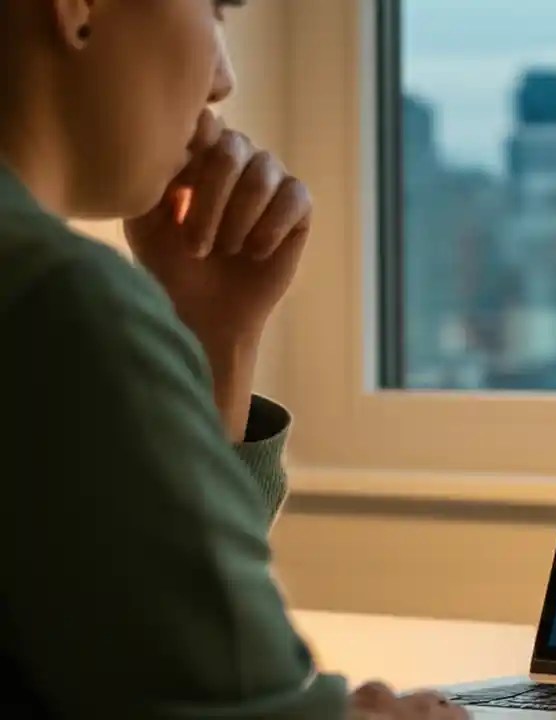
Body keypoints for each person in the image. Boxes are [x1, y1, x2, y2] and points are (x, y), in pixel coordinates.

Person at [0, 1, 467, 718]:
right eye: (214, 7)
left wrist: (214, 338)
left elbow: (163, 627)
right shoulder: (53, 302)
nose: (223, 78)